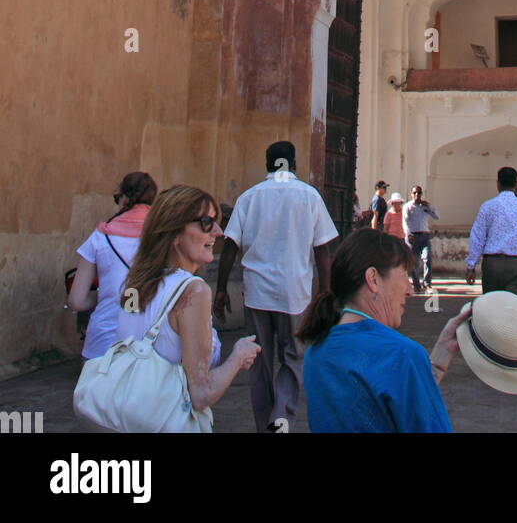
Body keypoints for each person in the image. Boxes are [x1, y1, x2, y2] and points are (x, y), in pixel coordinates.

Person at [215, 140, 338, 433]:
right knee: (292, 358)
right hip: (294, 293)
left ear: (267, 164)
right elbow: (322, 249)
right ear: (294, 164)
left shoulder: (249, 197)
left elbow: (230, 246)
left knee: (258, 361)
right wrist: (326, 290)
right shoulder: (309, 196)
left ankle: (263, 425)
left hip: (257, 292)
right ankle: (280, 419)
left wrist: (220, 288)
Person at [114, 185, 260, 425]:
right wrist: (238, 356)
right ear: (174, 233)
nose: (218, 231)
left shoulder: (135, 282)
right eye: (206, 223)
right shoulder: (194, 291)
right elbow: (201, 394)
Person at [300, 229, 469, 432]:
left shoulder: (316, 353)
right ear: (373, 279)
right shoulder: (402, 355)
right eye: (403, 275)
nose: (409, 289)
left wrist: (436, 361)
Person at [68, 171, 157, 359]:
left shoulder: (100, 236)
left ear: (123, 199)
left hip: (102, 340)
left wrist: (106, 295)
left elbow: (76, 300)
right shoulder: (164, 238)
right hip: (149, 341)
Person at [466, 166, 517, 296]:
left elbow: (477, 238)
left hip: (492, 265)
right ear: (516, 184)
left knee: (493, 305)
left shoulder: (488, 207)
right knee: (514, 308)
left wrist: (471, 265)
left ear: (498, 184)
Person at [402, 184, 440, 292]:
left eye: (419, 193)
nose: (417, 195)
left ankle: (427, 283)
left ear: (421, 194)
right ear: (411, 194)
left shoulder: (425, 206)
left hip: (424, 235)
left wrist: (429, 206)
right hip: (412, 236)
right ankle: (416, 284)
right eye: (414, 193)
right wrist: (408, 234)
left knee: (427, 258)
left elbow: (437, 216)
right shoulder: (407, 206)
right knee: (414, 262)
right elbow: (405, 222)